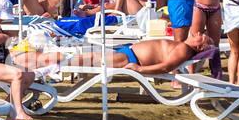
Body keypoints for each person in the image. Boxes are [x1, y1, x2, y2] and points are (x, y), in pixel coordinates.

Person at [65, 32, 215, 74]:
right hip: (129, 52)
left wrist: (139, 69)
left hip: (131, 59)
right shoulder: (182, 46)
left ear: (200, 47)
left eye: (202, 36)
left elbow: (166, 67)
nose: (198, 33)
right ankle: (56, 62)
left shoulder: (184, 49)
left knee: (89, 59)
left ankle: (56, 64)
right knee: (89, 58)